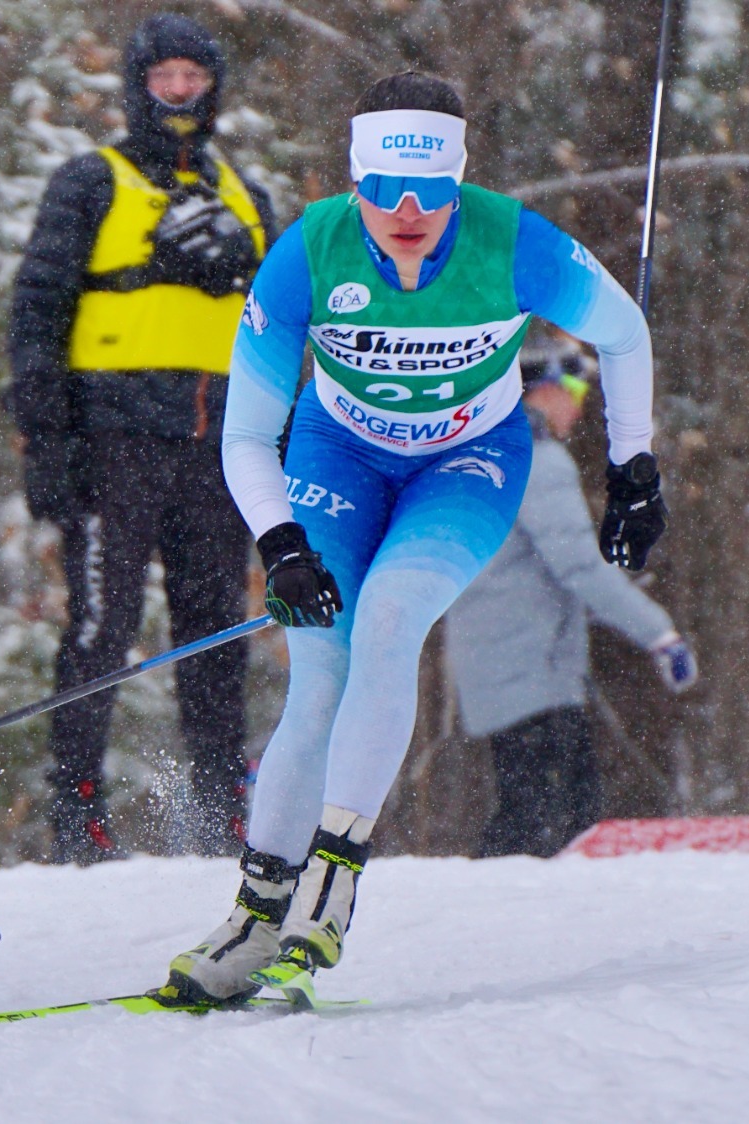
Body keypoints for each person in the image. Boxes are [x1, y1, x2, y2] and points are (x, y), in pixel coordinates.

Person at [153, 71, 666, 1010]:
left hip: (465, 466)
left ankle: (333, 876)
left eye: (432, 192)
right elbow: (243, 437)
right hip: (334, 456)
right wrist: (282, 545)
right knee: (321, 670)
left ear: (457, 182)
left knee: (391, 618)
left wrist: (634, 470)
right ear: (356, 182)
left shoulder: (510, 242)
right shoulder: (309, 252)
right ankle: (255, 909)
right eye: (386, 189)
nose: (409, 211)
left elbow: (624, 333)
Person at [7, 15, 275, 863]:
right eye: (166, 78)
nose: (182, 92)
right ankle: (78, 816)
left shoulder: (248, 195)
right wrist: (45, 442)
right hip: (111, 439)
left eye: (196, 77)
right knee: (102, 627)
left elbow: (282, 324)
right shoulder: (92, 181)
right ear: (138, 86)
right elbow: (37, 311)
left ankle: (221, 809)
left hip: (218, 441)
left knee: (214, 629)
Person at [445, 351, 698, 858]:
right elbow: (579, 566)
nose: (580, 409)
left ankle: (497, 908)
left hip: (500, 665)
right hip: (529, 670)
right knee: (557, 821)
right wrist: (659, 634)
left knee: (543, 816)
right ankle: (483, 912)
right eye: (577, 393)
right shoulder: (539, 462)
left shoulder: (487, 454)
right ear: (542, 390)